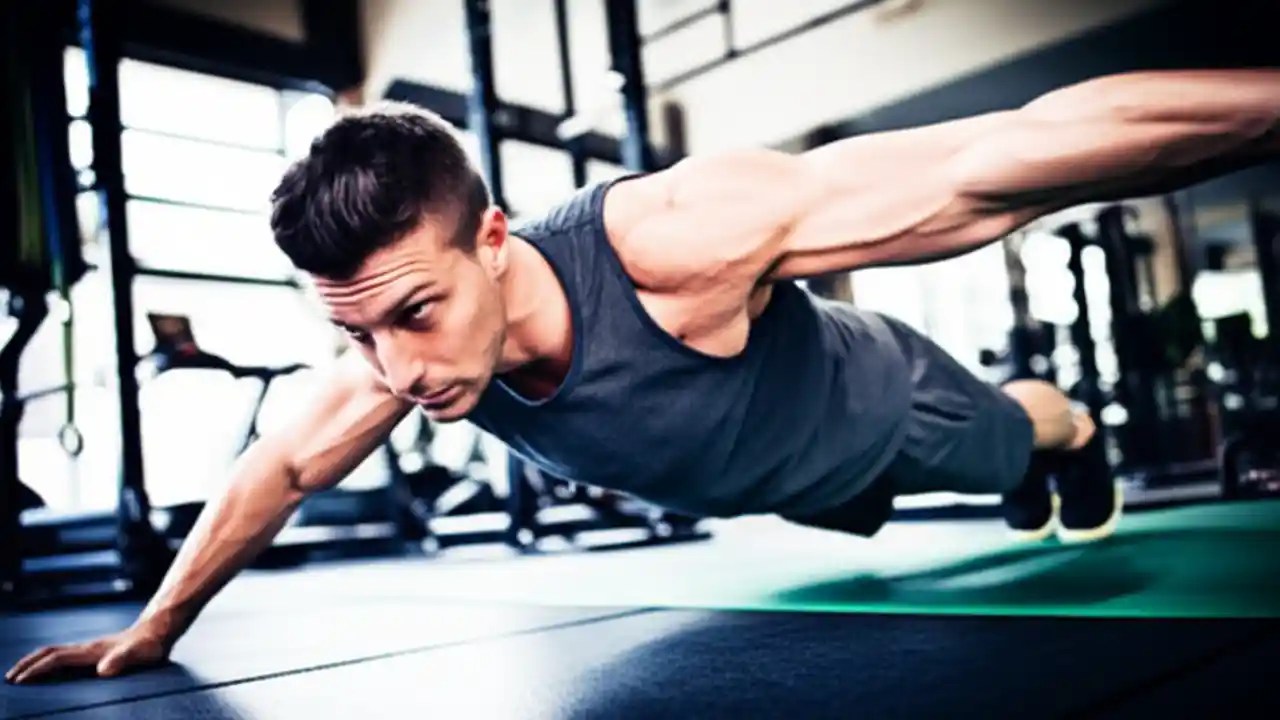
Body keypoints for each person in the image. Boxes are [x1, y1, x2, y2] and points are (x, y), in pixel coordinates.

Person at [8, 68, 1279, 685]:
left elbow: (1007, 155)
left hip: (877, 407)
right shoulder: (389, 359)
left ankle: (1063, 438)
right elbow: (275, 465)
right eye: (356, 334)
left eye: (410, 313)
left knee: (1020, 441)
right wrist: (153, 630)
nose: (393, 369)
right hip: (782, 484)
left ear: (492, 239)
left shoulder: (671, 242)